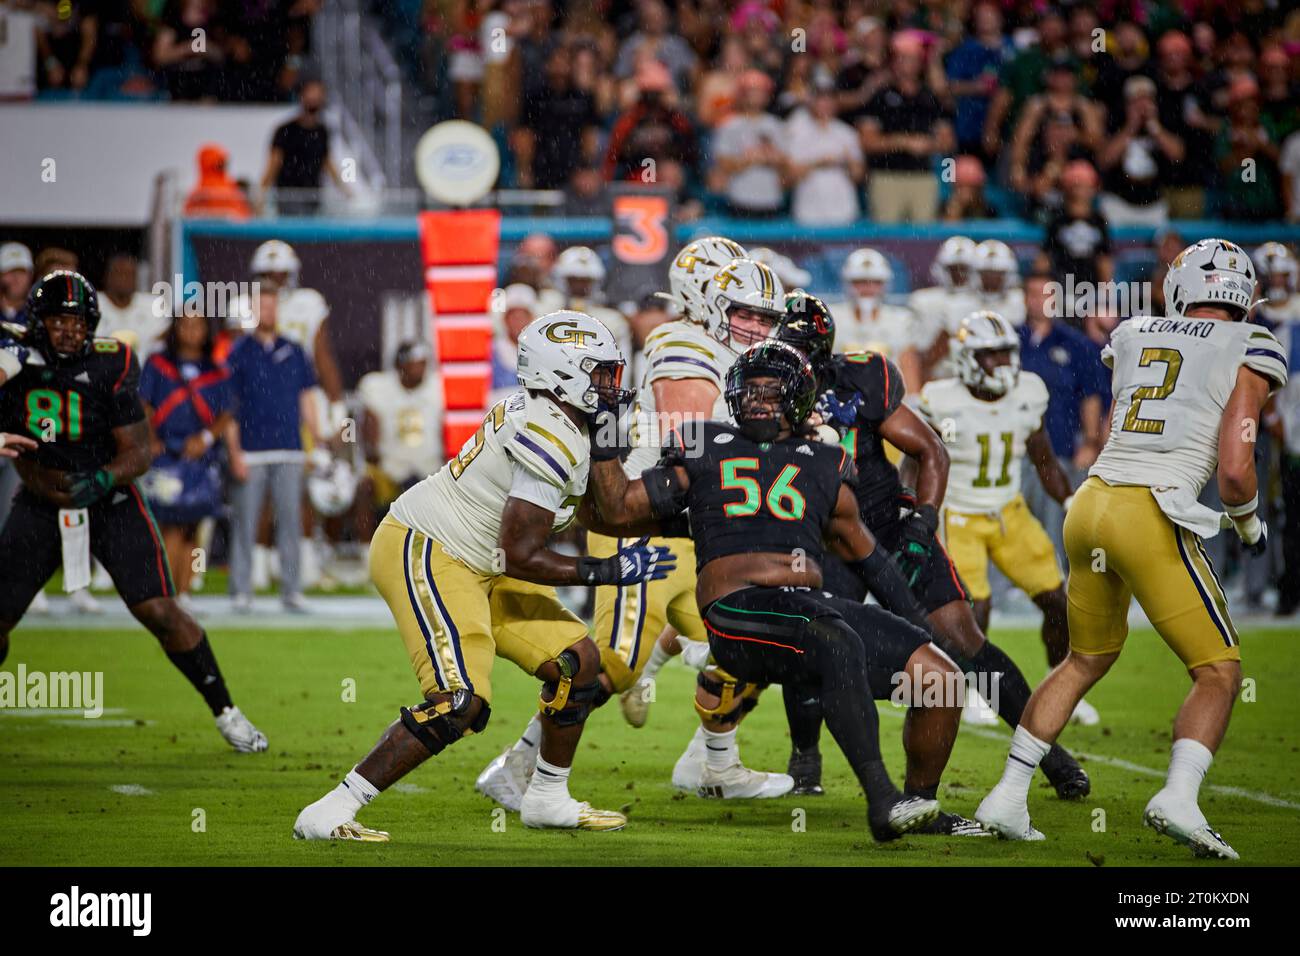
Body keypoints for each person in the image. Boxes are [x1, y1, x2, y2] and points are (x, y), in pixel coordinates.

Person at [293, 311, 673, 840]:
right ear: (561, 374)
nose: (611, 384)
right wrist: (607, 570)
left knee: (579, 664)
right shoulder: (549, 430)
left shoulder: (571, 418)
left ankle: (545, 796)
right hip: (430, 547)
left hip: (484, 561)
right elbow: (521, 553)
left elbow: (601, 509)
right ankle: (331, 809)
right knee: (459, 704)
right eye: (599, 373)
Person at [977, 239, 1288, 860]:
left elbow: (1123, 417)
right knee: (1220, 672)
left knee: (1084, 659)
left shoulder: (1136, 331)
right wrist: (1248, 522)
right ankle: (1178, 795)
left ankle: (1007, 795)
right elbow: (1234, 468)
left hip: (1091, 504)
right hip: (1151, 510)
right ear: (1243, 294)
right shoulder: (1253, 344)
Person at [584, 339, 964, 841]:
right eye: (752, 390)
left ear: (801, 398)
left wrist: (918, 623)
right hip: (735, 611)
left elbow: (870, 559)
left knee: (940, 677)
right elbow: (617, 509)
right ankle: (882, 800)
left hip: (806, 607)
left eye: (772, 391)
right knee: (834, 639)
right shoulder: (702, 443)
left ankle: (919, 804)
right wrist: (604, 429)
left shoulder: (826, 462)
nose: (759, 400)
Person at [476, 247, 795, 808]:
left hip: (698, 530)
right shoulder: (683, 344)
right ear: (705, 300)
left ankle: (711, 764)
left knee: (755, 640)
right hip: (647, 524)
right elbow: (692, 437)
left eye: (766, 318)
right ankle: (519, 766)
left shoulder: (731, 351)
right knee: (615, 665)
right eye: (745, 314)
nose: (757, 328)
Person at [773, 293, 1090, 805]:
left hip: (887, 528)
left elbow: (929, 448)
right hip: (823, 541)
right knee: (818, 644)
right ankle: (804, 756)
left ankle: (1047, 754)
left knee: (965, 639)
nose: (790, 363)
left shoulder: (860, 377)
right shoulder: (763, 393)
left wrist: (922, 522)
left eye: (799, 349)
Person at [0, 271, 266, 752]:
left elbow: (139, 452)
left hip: (110, 500)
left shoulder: (113, 362)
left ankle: (228, 712)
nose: (68, 331)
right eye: (57, 321)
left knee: (162, 610)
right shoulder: (15, 357)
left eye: (77, 322)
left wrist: (102, 477)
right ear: (39, 322)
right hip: (40, 503)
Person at [918, 311, 1098, 727]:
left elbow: (1044, 459)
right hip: (960, 513)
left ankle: (1060, 687)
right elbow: (923, 459)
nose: (1001, 364)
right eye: (990, 356)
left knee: (1057, 601)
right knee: (975, 607)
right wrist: (918, 510)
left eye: (1005, 354)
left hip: (1009, 511)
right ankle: (973, 690)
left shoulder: (1027, 394)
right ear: (966, 358)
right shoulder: (942, 400)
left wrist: (1071, 499)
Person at [225, 289, 322, 613]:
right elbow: (229, 408)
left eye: (271, 306)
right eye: (260, 306)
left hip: (290, 449)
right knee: (245, 522)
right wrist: (234, 452)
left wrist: (316, 439)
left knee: (291, 521)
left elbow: (306, 397)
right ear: (251, 311)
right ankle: (241, 590)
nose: (267, 312)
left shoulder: (294, 350)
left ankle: (291, 590)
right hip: (251, 451)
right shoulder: (238, 352)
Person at [138, 309, 233, 608]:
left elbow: (226, 412)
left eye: (198, 325)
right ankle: (168, 591)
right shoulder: (158, 365)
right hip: (166, 456)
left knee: (194, 525)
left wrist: (205, 438)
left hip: (200, 458)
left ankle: (186, 589)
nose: (192, 331)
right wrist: (151, 439)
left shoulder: (215, 370)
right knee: (168, 524)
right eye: (186, 325)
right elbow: (143, 404)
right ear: (175, 328)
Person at [354, 342, 443, 543]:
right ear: (400, 365)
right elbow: (368, 430)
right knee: (365, 486)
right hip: (390, 469)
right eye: (415, 363)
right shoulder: (378, 387)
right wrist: (377, 456)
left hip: (431, 471)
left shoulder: (438, 386)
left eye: (423, 363)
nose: (421, 369)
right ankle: (366, 551)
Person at [829, 248, 924, 393]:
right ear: (848, 284)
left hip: (888, 403)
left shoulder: (901, 320)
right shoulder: (833, 318)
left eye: (875, 283)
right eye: (860, 282)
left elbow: (909, 373)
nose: (867, 289)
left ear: (885, 285)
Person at [259, 79, 351, 216]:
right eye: (311, 93)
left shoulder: (322, 131)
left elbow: (326, 161)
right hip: (289, 195)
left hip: (313, 196)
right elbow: (274, 163)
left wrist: (345, 190)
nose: (314, 97)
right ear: (302, 95)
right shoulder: (286, 130)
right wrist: (261, 194)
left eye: (318, 94)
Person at [96, 253, 171, 355]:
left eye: (130, 274)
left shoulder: (153, 304)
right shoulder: (93, 303)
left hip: (143, 369)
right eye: (119, 273)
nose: (124, 278)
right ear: (107, 276)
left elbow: (167, 335)